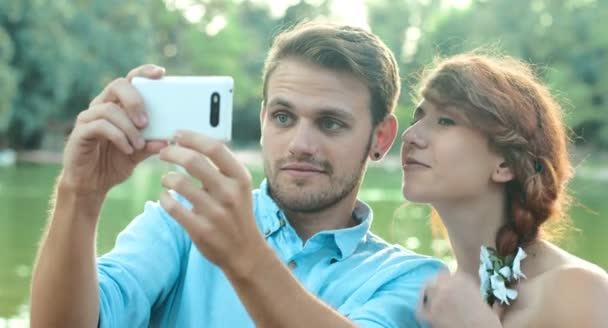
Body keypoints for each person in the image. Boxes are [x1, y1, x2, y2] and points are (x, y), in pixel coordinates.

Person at [30, 22, 444, 327]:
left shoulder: (413, 280)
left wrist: (243, 253)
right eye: (283, 116)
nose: (301, 143)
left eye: (330, 123)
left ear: (381, 137)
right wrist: (79, 194)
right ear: (263, 119)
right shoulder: (182, 222)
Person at [399, 53, 608, 327]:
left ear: (506, 163)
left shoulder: (577, 291)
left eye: (445, 121)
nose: (410, 135)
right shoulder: (430, 302)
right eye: (418, 117)